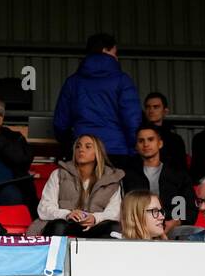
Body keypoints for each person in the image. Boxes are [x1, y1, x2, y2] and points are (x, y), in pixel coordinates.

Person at [53, 32, 142, 170]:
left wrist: (72, 146)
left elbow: (60, 124)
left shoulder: (73, 82)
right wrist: (133, 150)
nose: (117, 58)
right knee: (115, 191)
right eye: (115, 53)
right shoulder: (123, 80)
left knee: (83, 191)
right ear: (105, 50)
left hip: (83, 152)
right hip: (116, 151)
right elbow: (132, 121)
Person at [29, 134, 124, 237]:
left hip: (93, 226)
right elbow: (44, 208)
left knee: (115, 228)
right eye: (78, 146)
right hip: (66, 224)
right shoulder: (59, 174)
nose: (81, 150)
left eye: (88, 147)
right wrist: (67, 214)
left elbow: (115, 212)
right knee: (59, 225)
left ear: (98, 153)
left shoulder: (111, 179)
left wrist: (95, 218)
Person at [123, 124, 197, 231]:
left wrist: (175, 222)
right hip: (138, 230)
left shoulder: (178, 175)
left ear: (160, 143)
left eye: (150, 139)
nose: (146, 144)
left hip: (173, 229)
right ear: (136, 147)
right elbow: (125, 208)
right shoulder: (128, 175)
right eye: (141, 141)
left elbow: (191, 209)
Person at [141, 92, 188, 173]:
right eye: (148, 107)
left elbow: (181, 168)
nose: (151, 110)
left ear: (165, 111)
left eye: (156, 107)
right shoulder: (139, 137)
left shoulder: (175, 140)